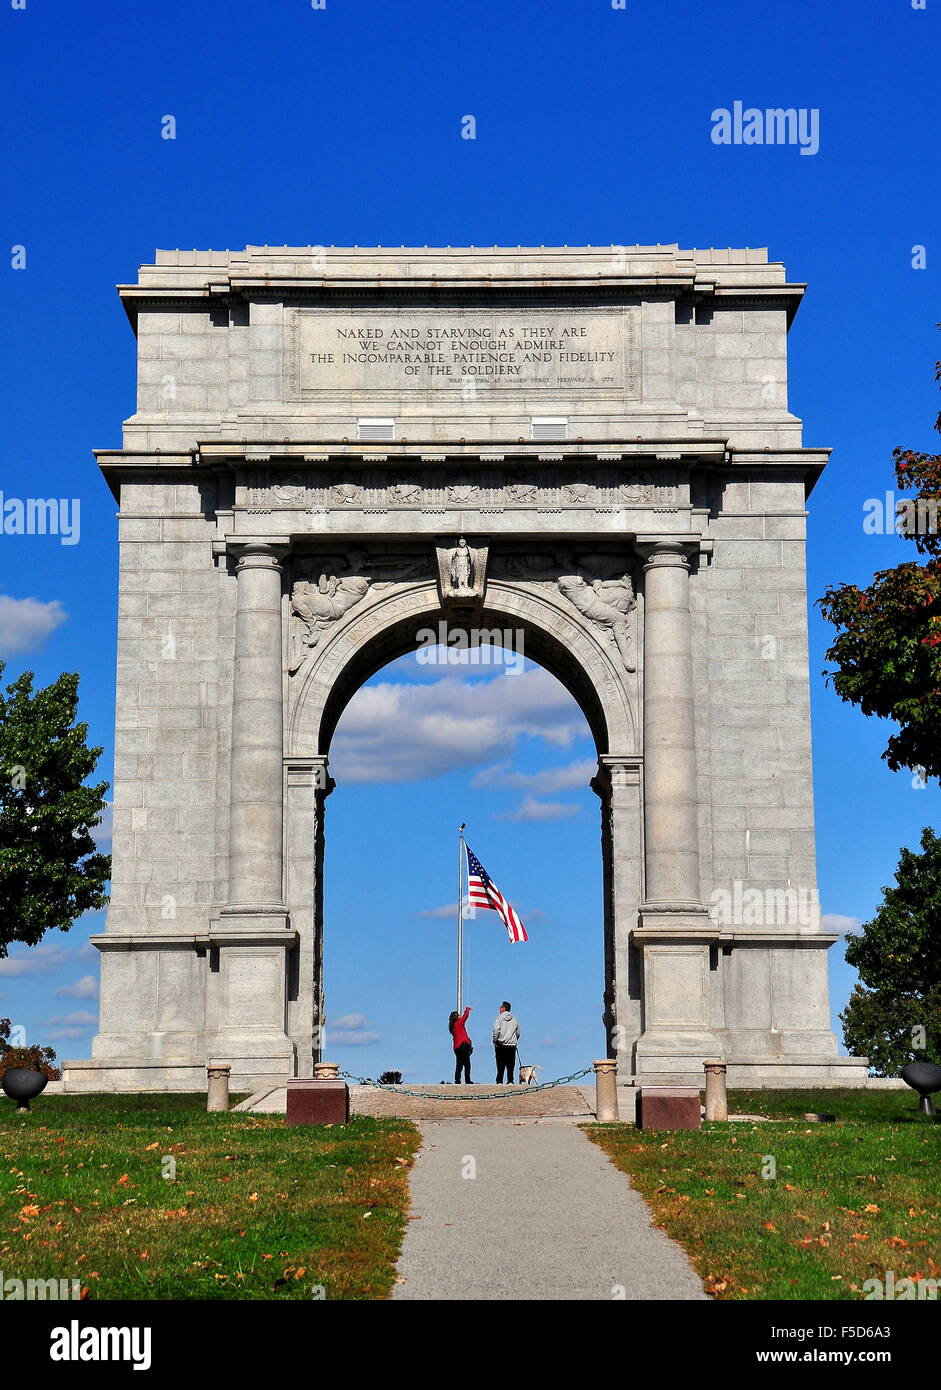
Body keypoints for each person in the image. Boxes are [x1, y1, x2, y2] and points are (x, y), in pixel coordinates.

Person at [492, 1001, 520, 1083]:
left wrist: (495, 1040)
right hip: (511, 1045)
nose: (499, 1009)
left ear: (504, 1008)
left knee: (500, 1064)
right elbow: (518, 1032)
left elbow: (496, 1029)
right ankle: (510, 1080)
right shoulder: (514, 1019)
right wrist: (514, 1039)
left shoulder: (499, 1018)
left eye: (500, 1007)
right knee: (510, 1064)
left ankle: (499, 1080)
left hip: (501, 1044)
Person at [449, 1005, 473, 1084]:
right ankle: (467, 1080)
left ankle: (457, 1080)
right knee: (467, 1063)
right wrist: (467, 1009)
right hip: (462, 1045)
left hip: (456, 1048)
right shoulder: (458, 1023)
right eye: (458, 1015)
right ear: (456, 1017)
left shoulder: (452, 1027)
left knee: (459, 1064)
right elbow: (465, 1016)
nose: (460, 1016)